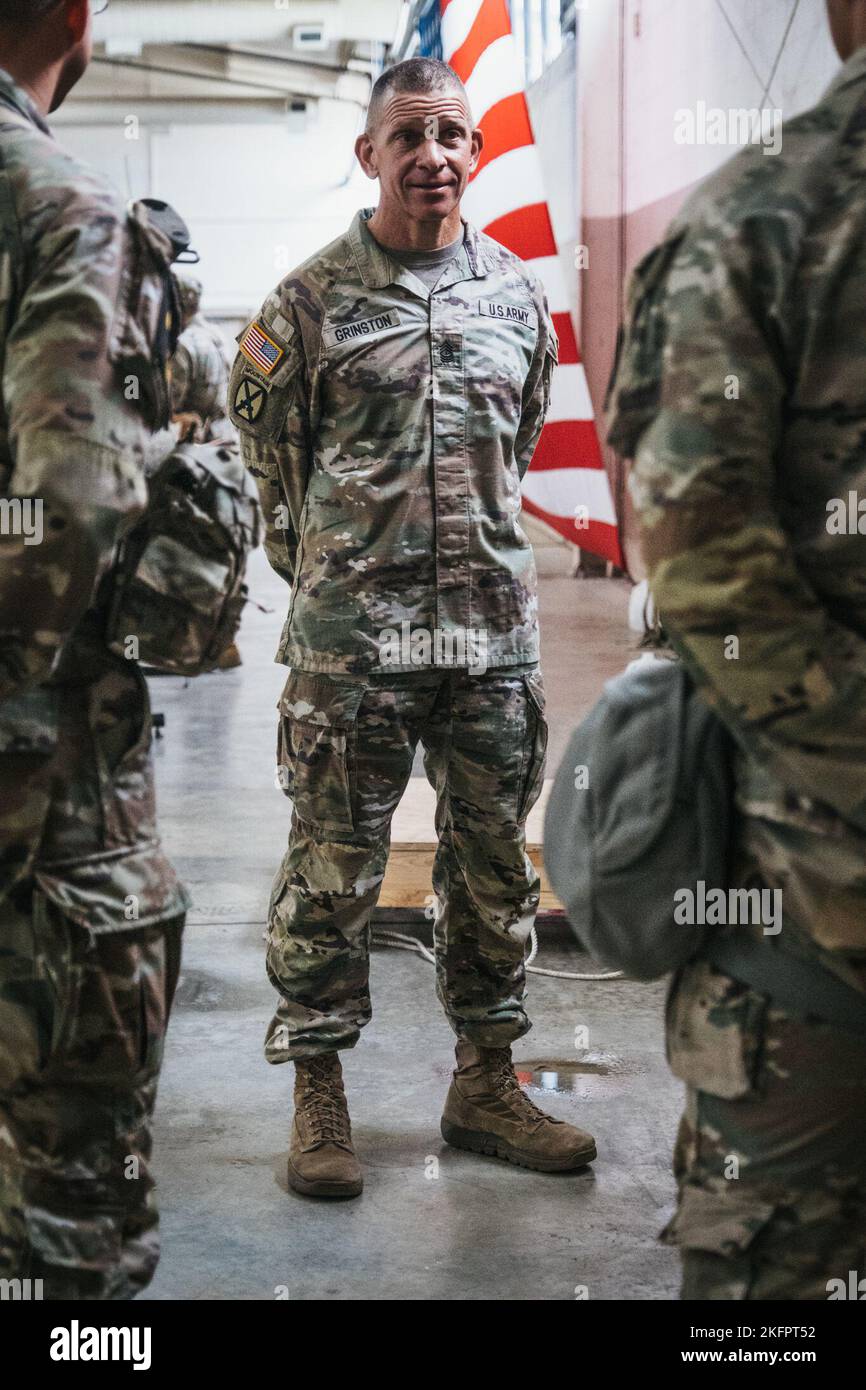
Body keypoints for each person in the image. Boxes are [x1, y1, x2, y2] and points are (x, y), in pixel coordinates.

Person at [229, 57, 596, 1200]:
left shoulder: (516, 299)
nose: (430, 154)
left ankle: (485, 1083)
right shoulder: (307, 301)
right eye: (408, 135)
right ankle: (320, 1095)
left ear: (473, 155)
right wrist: (338, 579)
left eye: (451, 134)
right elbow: (271, 467)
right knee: (332, 870)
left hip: (489, 643)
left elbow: (517, 448)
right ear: (369, 155)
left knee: (490, 873)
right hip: (353, 652)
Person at [605, 0, 866, 1299]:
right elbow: (703, 564)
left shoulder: (758, 212)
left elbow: (696, 566)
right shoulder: (774, 219)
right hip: (818, 926)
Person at [0, 0, 188, 1298]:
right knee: (74, 1202)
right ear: (76, 18)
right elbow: (63, 513)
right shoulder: (60, 209)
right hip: (40, 799)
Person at [171, 269, 235, 444]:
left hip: (196, 444)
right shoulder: (218, 335)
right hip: (225, 437)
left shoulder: (183, 344)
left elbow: (170, 406)